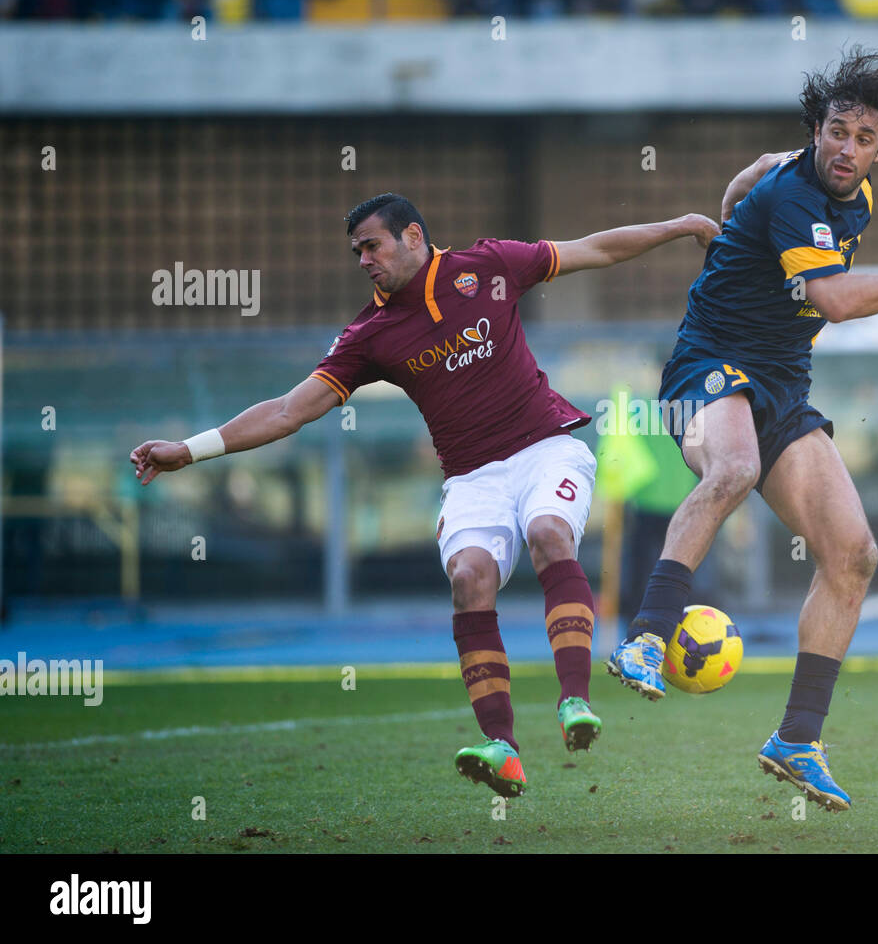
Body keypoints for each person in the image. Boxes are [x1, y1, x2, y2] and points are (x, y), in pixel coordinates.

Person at [130, 192, 719, 798]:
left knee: (549, 533)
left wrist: (676, 225)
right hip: (471, 478)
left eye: (372, 245)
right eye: (356, 250)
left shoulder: (489, 265)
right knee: (469, 578)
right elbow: (286, 410)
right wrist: (190, 449)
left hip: (547, 447)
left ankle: (574, 701)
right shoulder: (369, 334)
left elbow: (594, 249)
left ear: (413, 236)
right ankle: (503, 748)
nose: (363, 260)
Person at [606, 48, 878, 811]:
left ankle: (797, 740)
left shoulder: (852, 196)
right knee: (734, 468)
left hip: (781, 382)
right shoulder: (796, 194)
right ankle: (646, 636)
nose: (848, 148)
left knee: (854, 553)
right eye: (837, 131)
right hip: (707, 365)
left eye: (864, 136)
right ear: (816, 131)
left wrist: (731, 204)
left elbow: (742, 185)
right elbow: (837, 302)